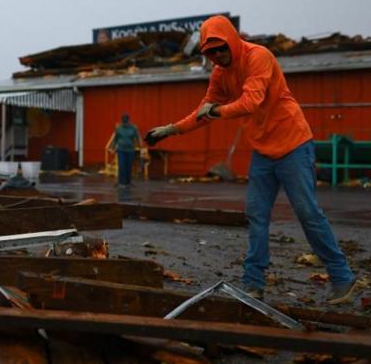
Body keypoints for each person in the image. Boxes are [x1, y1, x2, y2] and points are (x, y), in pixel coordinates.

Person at [146, 15, 358, 305]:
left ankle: (342, 278)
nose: (218, 56)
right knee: (256, 215)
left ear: (232, 40)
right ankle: (253, 284)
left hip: (293, 144)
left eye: (221, 49)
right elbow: (203, 112)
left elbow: (250, 101)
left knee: (308, 212)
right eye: (211, 52)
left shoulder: (259, 57)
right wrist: (171, 129)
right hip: (263, 150)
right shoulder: (220, 75)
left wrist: (216, 111)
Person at [107, 113, 142, 187]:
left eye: (126, 120)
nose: (125, 122)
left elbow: (138, 137)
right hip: (121, 149)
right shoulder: (118, 128)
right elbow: (115, 139)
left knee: (129, 166)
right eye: (124, 120)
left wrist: (140, 145)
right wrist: (112, 148)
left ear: (128, 120)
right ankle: (120, 182)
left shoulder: (133, 128)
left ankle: (128, 182)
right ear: (122, 120)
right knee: (122, 165)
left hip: (130, 150)